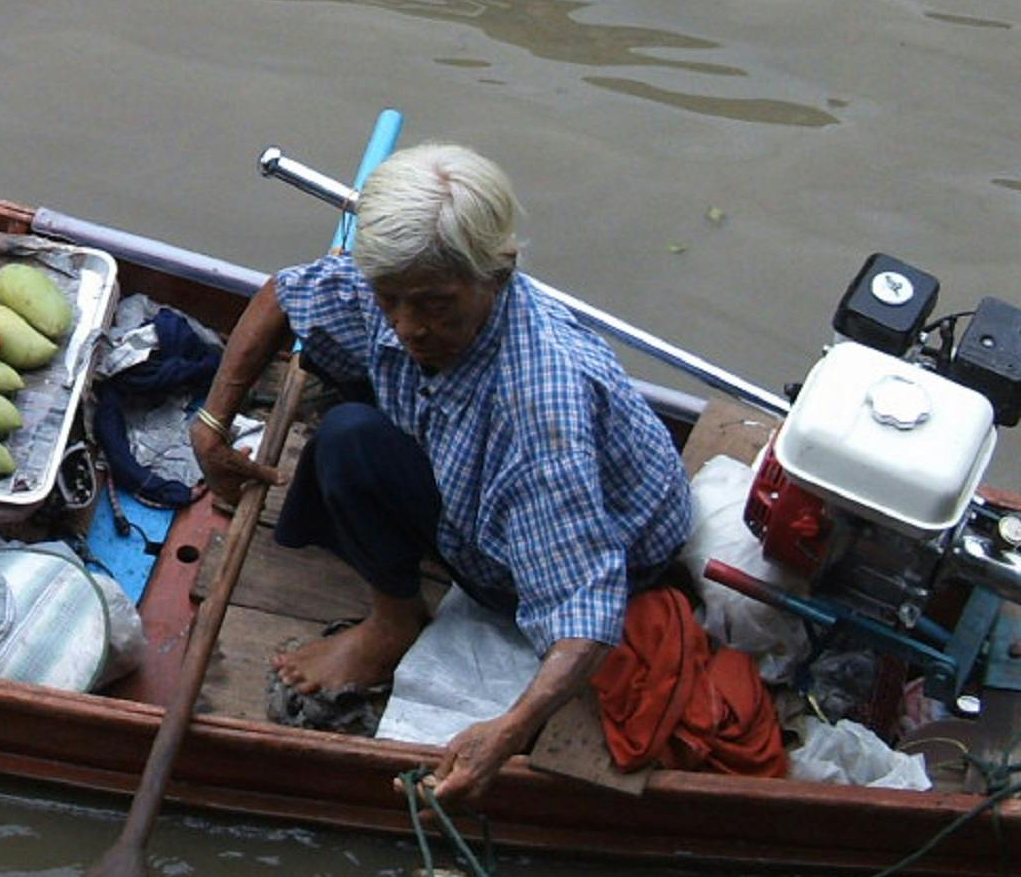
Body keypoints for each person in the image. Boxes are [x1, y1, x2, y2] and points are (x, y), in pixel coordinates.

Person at [187, 142, 692, 807]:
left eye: (432, 305)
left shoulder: (539, 413)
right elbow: (289, 290)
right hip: (484, 450)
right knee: (353, 399)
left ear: (499, 273)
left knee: (344, 438)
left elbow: (586, 611)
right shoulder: (405, 294)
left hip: (609, 549)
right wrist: (214, 422)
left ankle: (393, 623)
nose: (406, 327)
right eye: (388, 298)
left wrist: (507, 731)